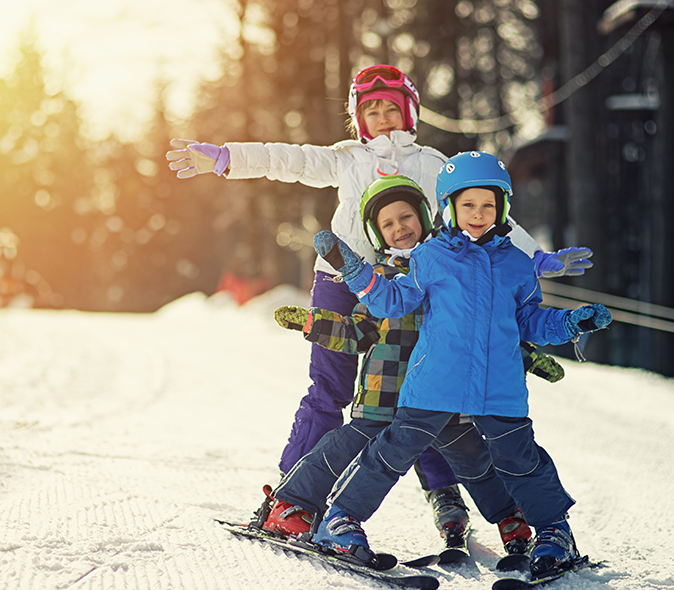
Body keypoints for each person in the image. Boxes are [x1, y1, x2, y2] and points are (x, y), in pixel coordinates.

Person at [165, 64, 592, 537]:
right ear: (358, 119)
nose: (383, 118)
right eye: (371, 110)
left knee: (422, 395)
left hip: (411, 285)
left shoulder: (432, 164)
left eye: (392, 108)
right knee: (329, 391)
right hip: (341, 283)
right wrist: (227, 157)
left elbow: (480, 208)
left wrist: (536, 258)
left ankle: (445, 494)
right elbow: (288, 159)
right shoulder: (346, 158)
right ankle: (292, 496)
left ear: (408, 112)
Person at [308, 151, 612, 578]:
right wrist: (356, 272)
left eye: (488, 205)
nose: (478, 213)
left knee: (521, 461)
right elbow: (393, 301)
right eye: (468, 205)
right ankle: (342, 520)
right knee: (391, 453)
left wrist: (568, 322)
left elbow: (528, 320)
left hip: (499, 387)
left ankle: (555, 532)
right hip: (434, 382)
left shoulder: (517, 265)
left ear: (502, 208)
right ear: (449, 207)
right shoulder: (430, 257)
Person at [262, 174, 560, 558]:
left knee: (476, 463)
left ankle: (510, 519)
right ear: (377, 234)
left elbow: (485, 335)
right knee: (343, 449)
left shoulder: (452, 272)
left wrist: (530, 358)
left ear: (424, 217)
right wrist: (312, 323)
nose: (399, 228)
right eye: (387, 224)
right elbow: (357, 334)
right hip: (385, 396)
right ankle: (293, 505)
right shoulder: (378, 279)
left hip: (444, 397)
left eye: (406, 217)